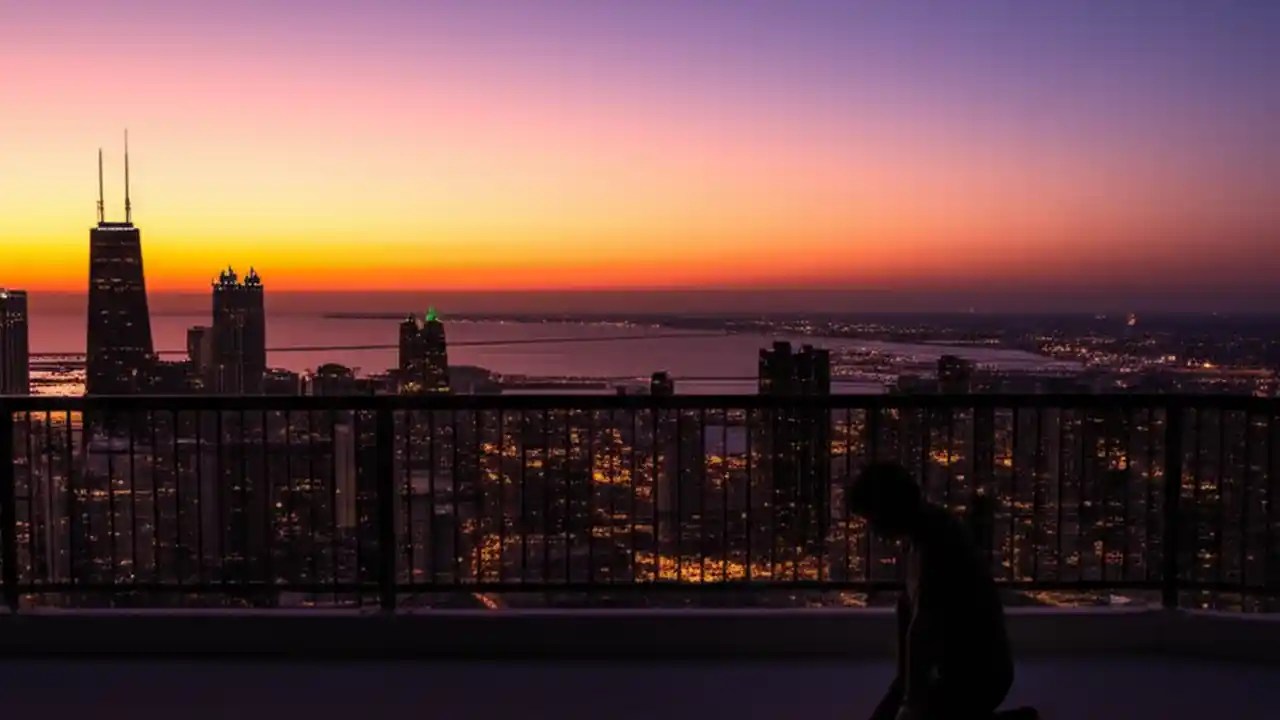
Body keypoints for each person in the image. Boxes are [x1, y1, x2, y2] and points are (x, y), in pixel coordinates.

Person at [849, 462, 1037, 720]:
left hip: (977, 675)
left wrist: (911, 701)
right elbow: (909, 615)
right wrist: (904, 685)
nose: (873, 529)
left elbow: (921, 628)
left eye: (873, 517)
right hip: (954, 669)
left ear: (889, 509)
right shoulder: (920, 535)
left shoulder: (937, 542)